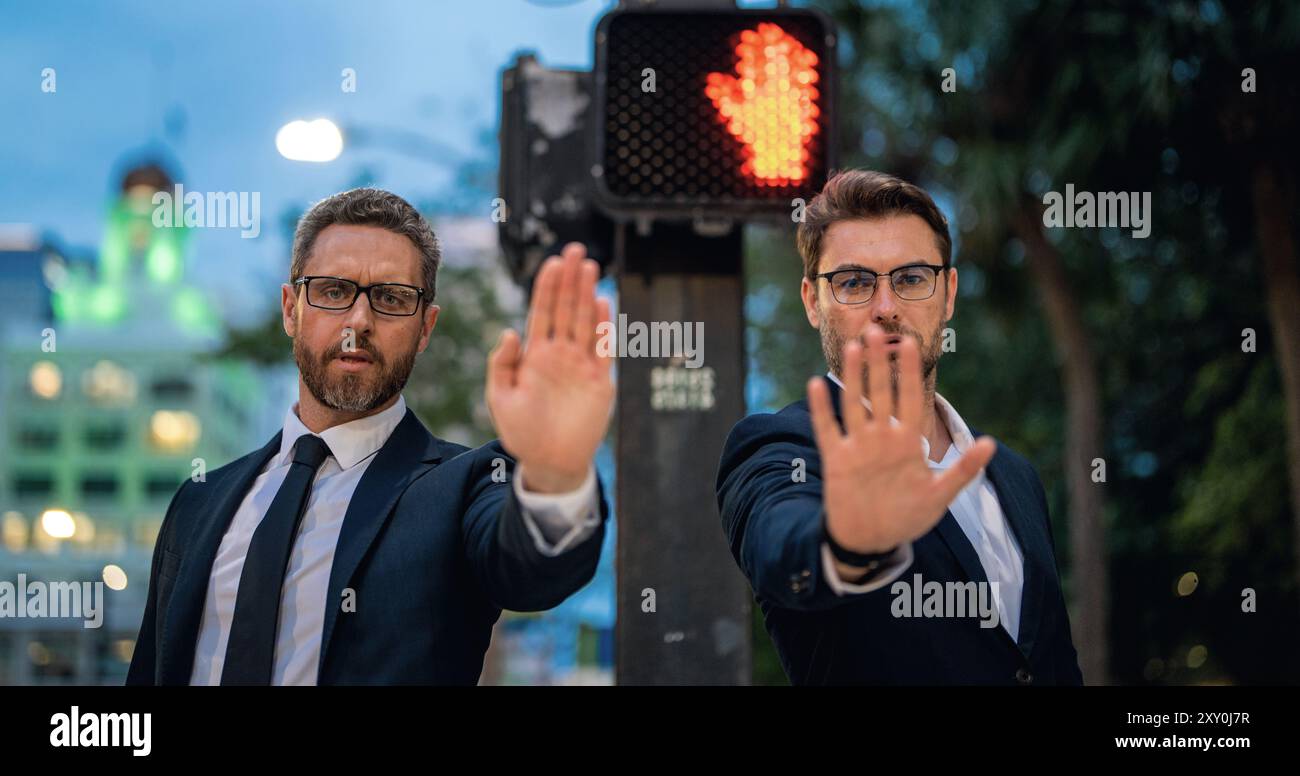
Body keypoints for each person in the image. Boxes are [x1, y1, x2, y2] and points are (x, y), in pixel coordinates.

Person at [127, 188, 613, 685]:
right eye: (334, 291)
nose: (359, 321)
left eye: (391, 299)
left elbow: (530, 570)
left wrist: (556, 474)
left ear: (426, 328)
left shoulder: (465, 486)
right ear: (291, 309)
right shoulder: (199, 500)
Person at [716, 169, 1084, 685]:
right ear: (811, 302)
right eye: (853, 283)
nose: (886, 308)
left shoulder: (1014, 475)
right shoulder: (779, 448)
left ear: (949, 293)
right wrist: (846, 540)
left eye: (911, 278)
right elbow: (779, 545)